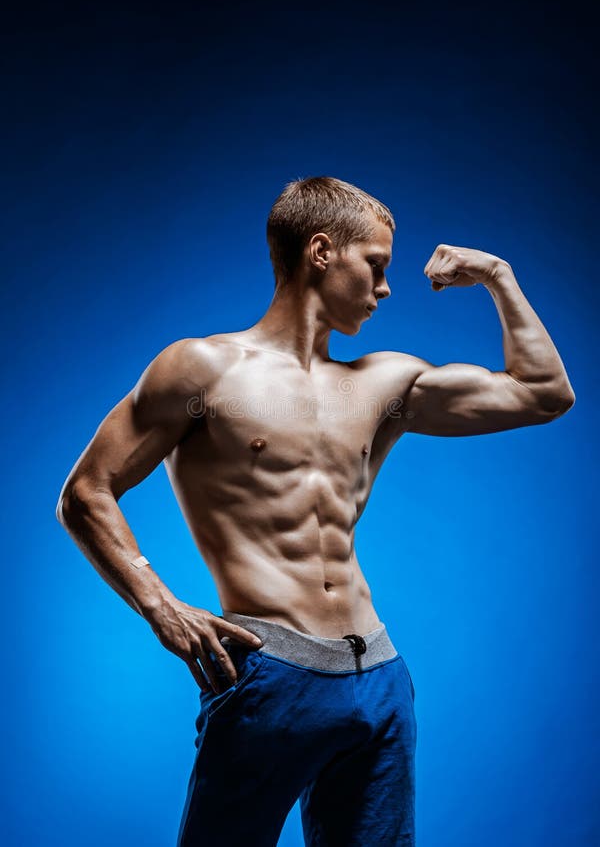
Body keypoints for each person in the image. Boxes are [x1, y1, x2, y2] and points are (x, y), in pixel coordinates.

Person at [56, 176, 575, 846]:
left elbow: (544, 394)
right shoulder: (202, 371)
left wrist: (498, 277)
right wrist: (161, 606)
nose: (386, 289)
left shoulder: (386, 383)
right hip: (271, 671)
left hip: (379, 679)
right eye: (377, 266)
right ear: (322, 252)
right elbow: (86, 492)